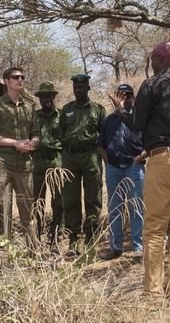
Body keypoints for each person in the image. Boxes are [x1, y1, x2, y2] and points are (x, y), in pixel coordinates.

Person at [113, 41, 170, 305]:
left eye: (153, 58)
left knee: (154, 228)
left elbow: (136, 124)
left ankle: (152, 295)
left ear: (161, 60)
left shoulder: (152, 85)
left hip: (165, 159)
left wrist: (120, 110)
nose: (151, 63)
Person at [0, 67, 41, 248]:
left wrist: (32, 143)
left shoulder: (29, 106)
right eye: (15, 77)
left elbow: (36, 133)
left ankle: (33, 253)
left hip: (24, 165)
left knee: (28, 212)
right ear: (6, 81)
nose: (20, 80)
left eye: (22, 77)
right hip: (2, 162)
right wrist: (15, 143)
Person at [60, 73, 106, 255]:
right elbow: (62, 133)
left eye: (81, 87)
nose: (78, 90)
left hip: (91, 156)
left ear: (88, 88)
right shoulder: (66, 110)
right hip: (70, 157)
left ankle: (90, 238)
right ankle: (73, 241)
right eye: (76, 87)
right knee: (70, 199)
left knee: (93, 198)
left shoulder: (98, 110)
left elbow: (103, 135)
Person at [98, 83, 145, 261]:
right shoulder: (109, 120)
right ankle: (115, 248)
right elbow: (100, 144)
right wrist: (106, 161)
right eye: (121, 96)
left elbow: (150, 142)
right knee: (115, 208)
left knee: (136, 208)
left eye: (128, 96)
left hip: (134, 167)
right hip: (114, 168)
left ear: (133, 98)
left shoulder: (139, 119)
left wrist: (140, 157)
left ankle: (138, 248)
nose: (124, 99)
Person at [32, 80, 65, 253]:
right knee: (37, 201)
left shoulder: (62, 115)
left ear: (53, 97)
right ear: (39, 98)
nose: (46, 99)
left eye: (49, 96)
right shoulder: (34, 116)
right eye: (43, 96)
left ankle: (55, 238)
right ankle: (36, 238)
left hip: (56, 161)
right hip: (37, 162)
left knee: (59, 201)